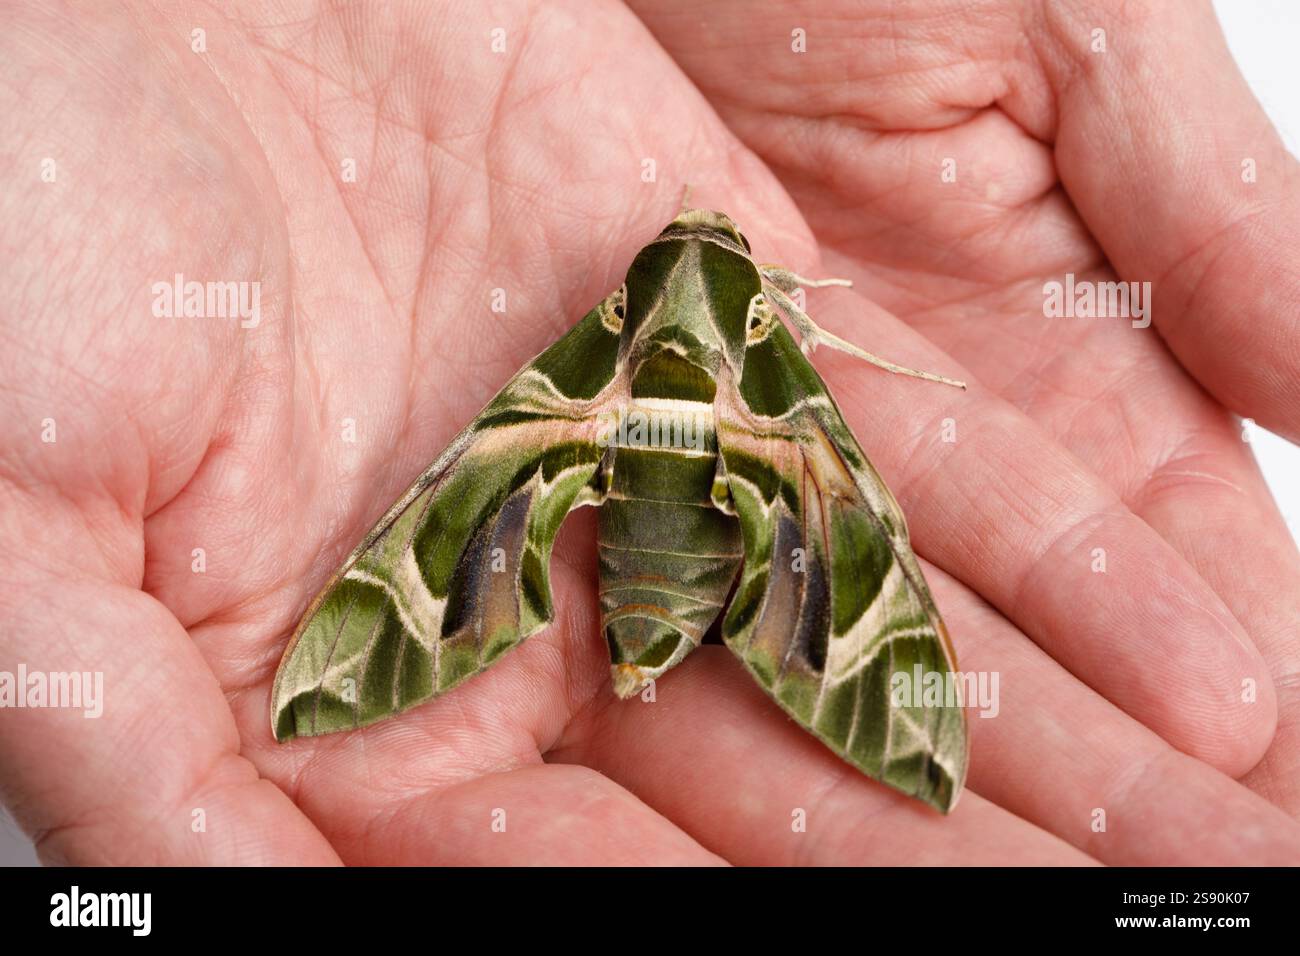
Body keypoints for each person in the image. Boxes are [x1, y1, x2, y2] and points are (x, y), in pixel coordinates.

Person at [1, 0, 1297, 865]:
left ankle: (385, 658)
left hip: (617, 531)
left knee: (476, 497)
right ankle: (875, 705)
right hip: (733, 488)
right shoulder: (778, 366)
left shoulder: (588, 356)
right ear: (758, 322)